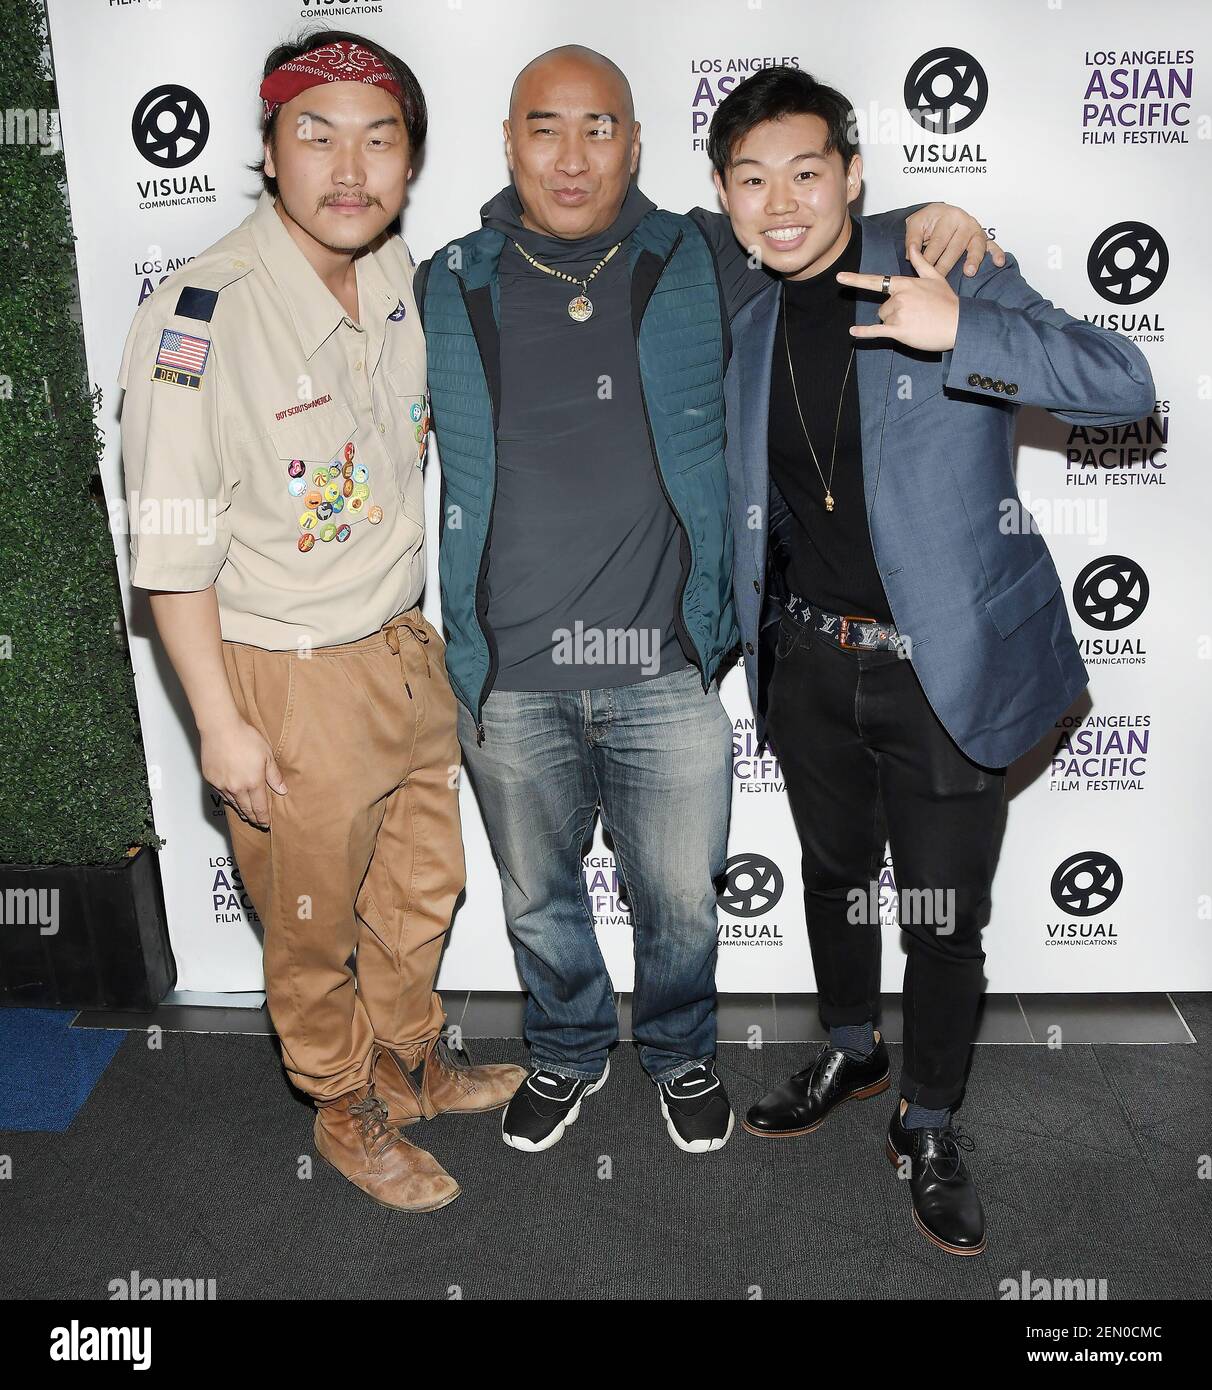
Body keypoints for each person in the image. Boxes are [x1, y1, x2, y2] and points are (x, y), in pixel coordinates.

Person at [415, 43, 994, 1155]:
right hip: (511, 675)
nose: (573, 156)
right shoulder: (447, 280)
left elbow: (818, 224)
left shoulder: (697, 253)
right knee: (539, 904)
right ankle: (569, 1049)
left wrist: (948, 217)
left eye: (600, 129)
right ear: (507, 143)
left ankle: (681, 1055)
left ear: (637, 144)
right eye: (545, 127)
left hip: (669, 669)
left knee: (681, 902)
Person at [710, 66, 1155, 1252]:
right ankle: (853, 1052)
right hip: (805, 662)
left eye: (809, 171)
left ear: (854, 174)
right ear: (725, 194)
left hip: (943, 666)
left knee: (942, 915)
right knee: (830, 877)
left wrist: (967, 325)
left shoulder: (939, 259)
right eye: (753, 180)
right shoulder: (746, 324)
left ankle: (933, 1114)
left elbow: (1124, 382)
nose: (783, 201)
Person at [118, 30, 523, 1214]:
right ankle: (343, 1103)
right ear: (267, 151)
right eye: (317, 134)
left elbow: (563, 219)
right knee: (308, 924)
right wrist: (221, 728)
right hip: (284, 672)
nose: (349, 168)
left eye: (378, 138)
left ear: (410, 160)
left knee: (421, 886)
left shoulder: (399, 270)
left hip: (400, 644)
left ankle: (407, 1058)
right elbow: (175, 553)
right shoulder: (198, 320)